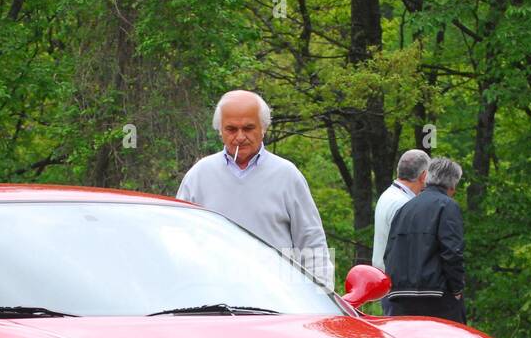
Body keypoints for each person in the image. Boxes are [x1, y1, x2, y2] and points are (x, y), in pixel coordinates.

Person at [176, 90, 333, 289]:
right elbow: (181, 242)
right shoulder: (199, 175)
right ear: (220, 131)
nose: (240, 137)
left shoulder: (287, 175)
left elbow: (312, 244)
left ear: (263, 128)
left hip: (277, 299)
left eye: (248, 128)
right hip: (213, 298)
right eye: (231, 129)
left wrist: (322, 299)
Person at [383, 156, 466, 324]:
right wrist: (457, 287)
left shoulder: (405, 208)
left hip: (400, 297)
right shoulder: (447, 206)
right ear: (452, 184)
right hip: (436, 296)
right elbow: (452, 251)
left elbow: (389, 251)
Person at [372, 149, 429, 315]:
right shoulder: (404, 205)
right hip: (399, 289)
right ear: (424, 176)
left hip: (386, 282)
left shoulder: (388, 195)